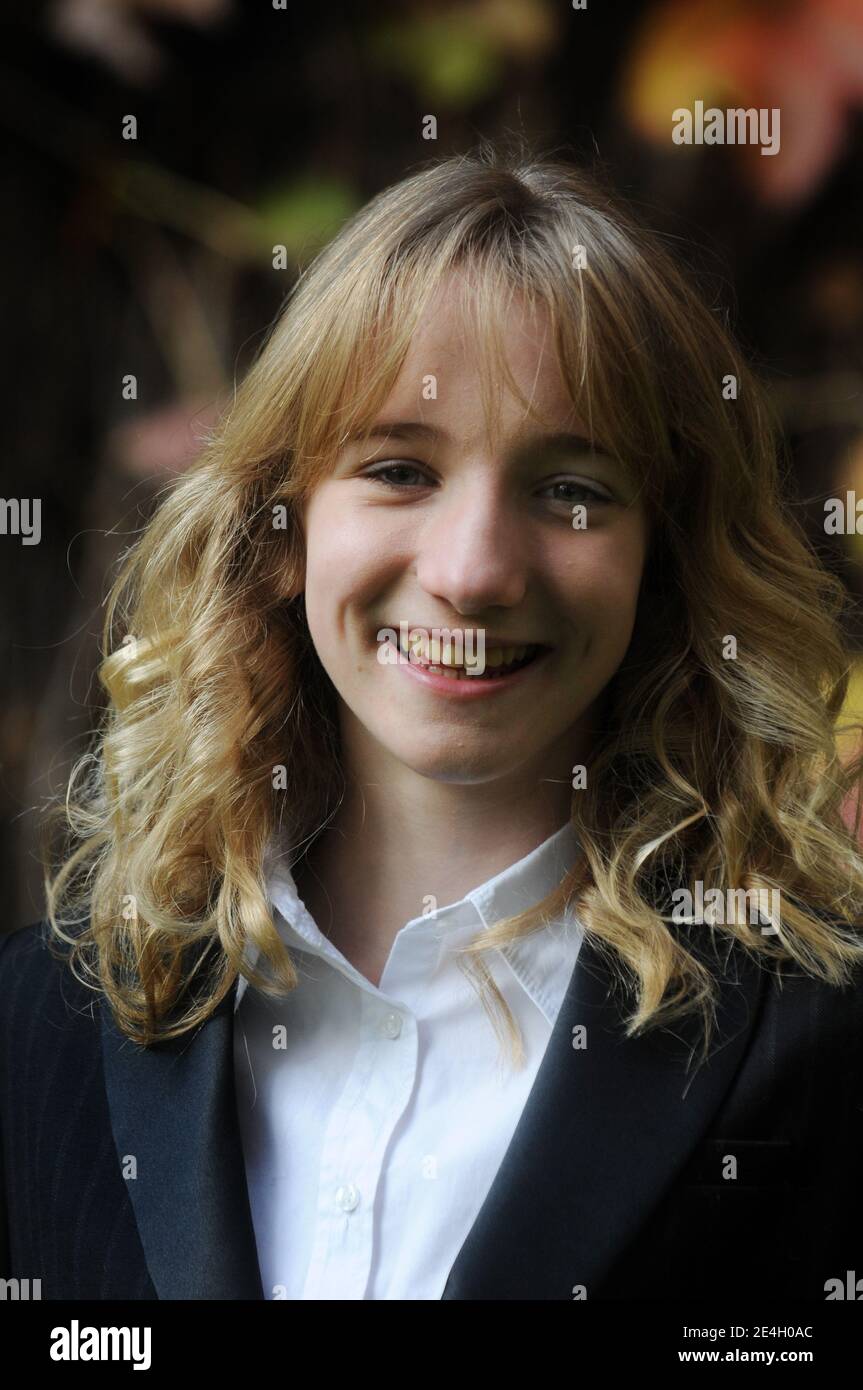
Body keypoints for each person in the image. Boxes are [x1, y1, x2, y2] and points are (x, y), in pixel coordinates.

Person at [2, 140, 863, 1302]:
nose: (471, 569)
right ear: (281, 521)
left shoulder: (816, 1053)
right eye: (400, 470)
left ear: (661, 560)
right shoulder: (40, 1029)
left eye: (571, 489)